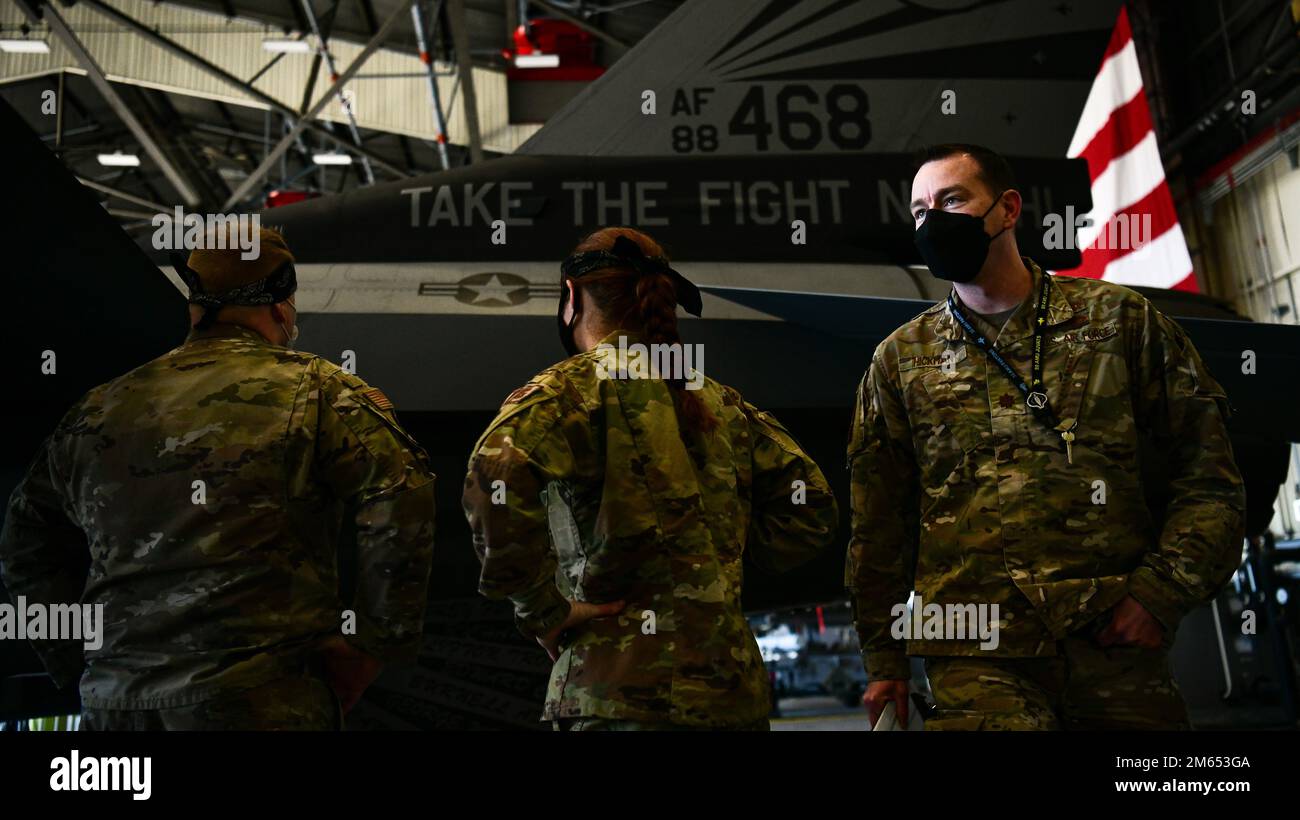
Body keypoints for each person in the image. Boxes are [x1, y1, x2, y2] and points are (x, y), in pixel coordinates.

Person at [846, 144, 1246, 730]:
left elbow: (1209, 475)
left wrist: (1159, 595)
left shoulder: (1118, 322)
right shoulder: (901, 360)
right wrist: (884, 658)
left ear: (1007, 210)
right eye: (920, 211)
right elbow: (878, 522)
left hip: (1111, 639)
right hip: (972, 651)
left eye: (952, 200)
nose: (934, 221)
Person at [0, 227, 436, 730]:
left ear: (193, 307)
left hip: (114, 705)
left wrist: (77, 661)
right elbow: (403, 493)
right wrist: (374, 644)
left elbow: (25, 543)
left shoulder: (98, 408)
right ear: (281, 305)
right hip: (257, 700)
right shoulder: (318, 390)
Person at [462, 226, 839, 730]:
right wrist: (715, 558)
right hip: (730, 697)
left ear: (571, 298)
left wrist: (543, 609)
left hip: (617, 691)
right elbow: (811, 506)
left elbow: (495, 476)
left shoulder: (570, 392)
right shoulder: (720, 403)